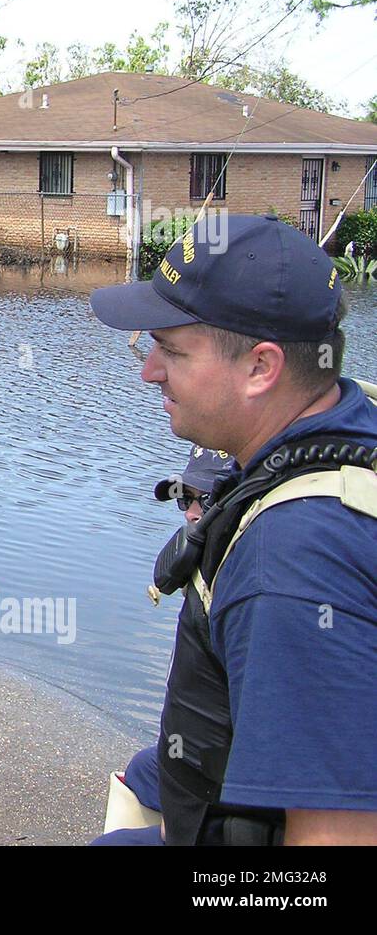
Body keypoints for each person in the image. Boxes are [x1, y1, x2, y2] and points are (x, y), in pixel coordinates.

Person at [90, 212, 377, 846]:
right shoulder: (353, 415)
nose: (148, 373)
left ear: (261, 368)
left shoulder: (294, 560)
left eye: (169, 349)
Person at [109, 444, 234, 830]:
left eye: (206, 499)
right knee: (145, 768)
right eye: (186, 500)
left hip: (237, 779)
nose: (193, 512)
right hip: (204, 755)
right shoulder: (211, 570)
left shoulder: (243, 579)